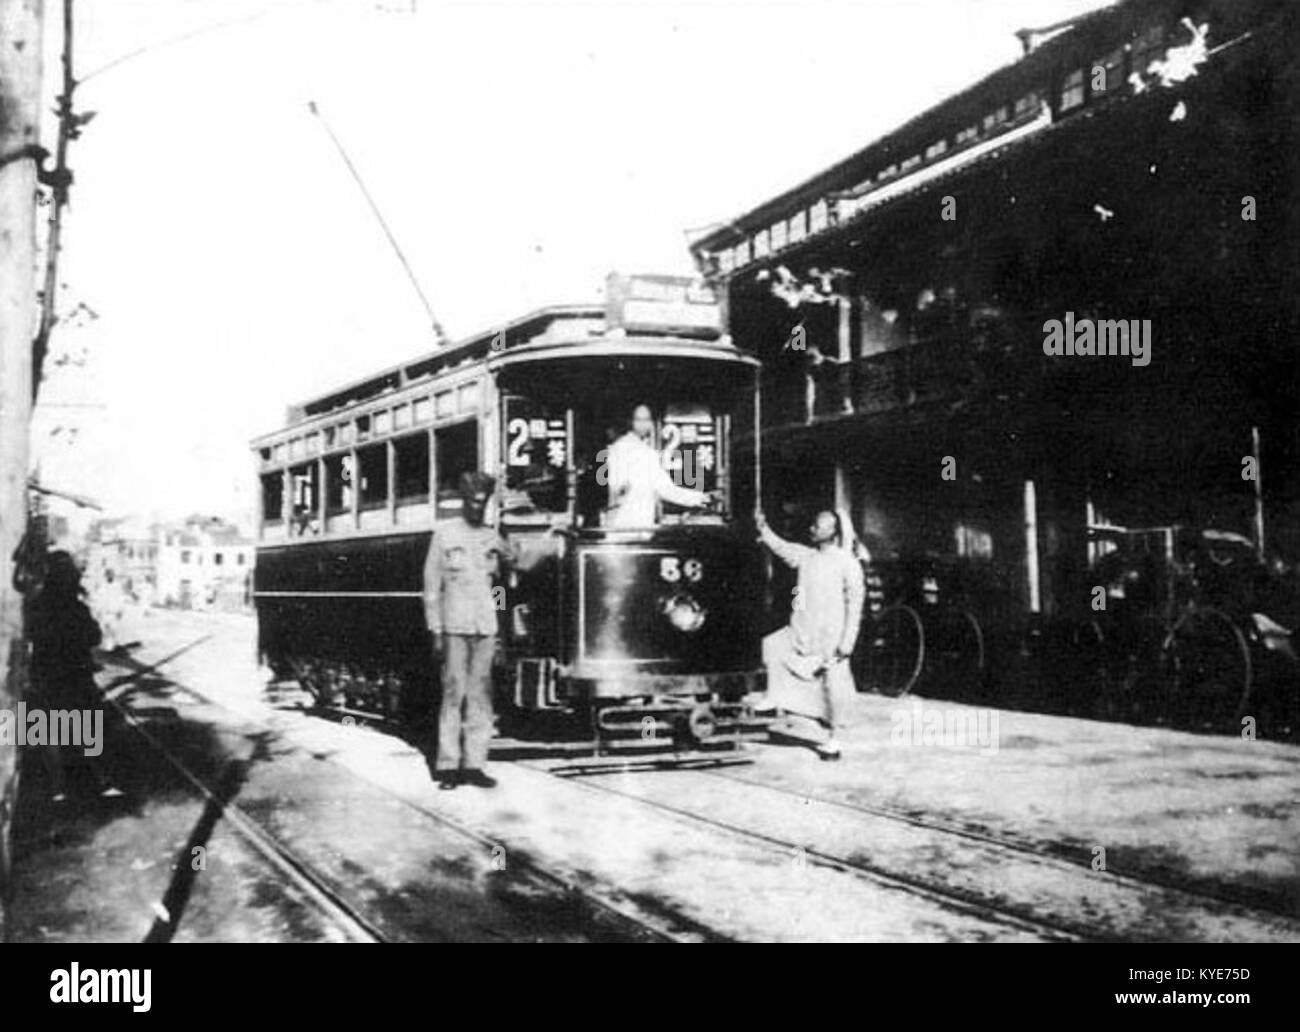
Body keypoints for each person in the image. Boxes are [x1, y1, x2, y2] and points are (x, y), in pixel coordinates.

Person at [423, 472, 513, 789]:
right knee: (452, 695)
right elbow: (432, 587)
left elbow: (504, 581)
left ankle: (475, 765)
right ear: (464, 501)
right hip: (454, 627)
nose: (477, 506)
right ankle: (447, 767)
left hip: (485, 627)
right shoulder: (445, 535)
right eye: (472, 501)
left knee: (481, 697)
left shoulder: (491, 537)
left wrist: (507, 550)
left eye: (482, 502)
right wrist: (435, 629)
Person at [755, 510, 865, 760]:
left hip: (832, 637)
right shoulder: (808, 557)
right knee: (772, 645)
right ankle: (774, 695)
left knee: (834, 689)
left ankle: (834, 741)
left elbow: (856, 603)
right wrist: (764, 529)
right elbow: (782, 548)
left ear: (833, 532)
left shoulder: (847, 562)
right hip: (803, 631)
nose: (812, 528)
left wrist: (847, 642)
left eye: (817, 525)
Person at [26, 551, 123, 801]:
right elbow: (94, 637)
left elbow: (30, 635)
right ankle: (103, 782)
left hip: (46, 674)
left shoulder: (37, 605)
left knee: (49, 731)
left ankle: (57, 789)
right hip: (75, 674)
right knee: (86, 728)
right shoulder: (77, 608)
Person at [604, 404, 712, 528]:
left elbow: (664, 488)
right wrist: (699, 498)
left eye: (646, 420)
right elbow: (664, 489)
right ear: (630, 421)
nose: (643, 424)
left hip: (630, 522)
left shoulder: (638, 451)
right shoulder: (628, 449)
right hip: (629, 523)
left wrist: (699, 498)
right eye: (638, 419)